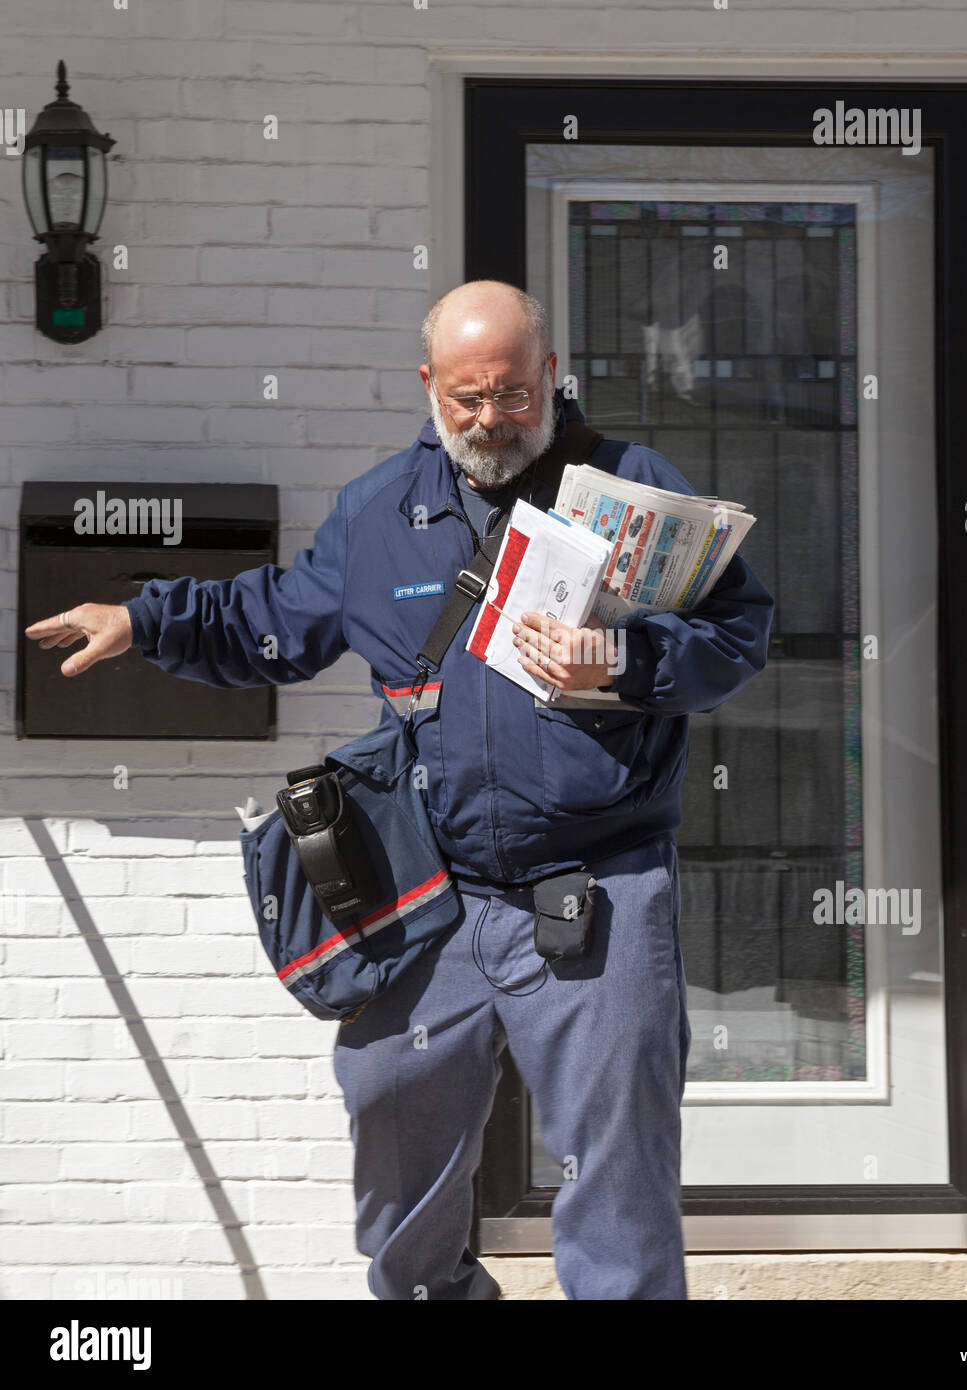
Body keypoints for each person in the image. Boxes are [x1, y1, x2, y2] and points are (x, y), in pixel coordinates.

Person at [25, 279, 775, 1300]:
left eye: (512, 395)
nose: (489, 420)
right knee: (394, 1153)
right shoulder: (381, 512)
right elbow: (277, 620)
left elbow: (736, 635)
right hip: (431, 894)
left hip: (596, 883)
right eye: (467, 397)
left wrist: (625, 660)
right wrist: (144, 622)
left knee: (618, 1174)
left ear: (549, 377)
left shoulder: (629, 487)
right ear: (428, 387)